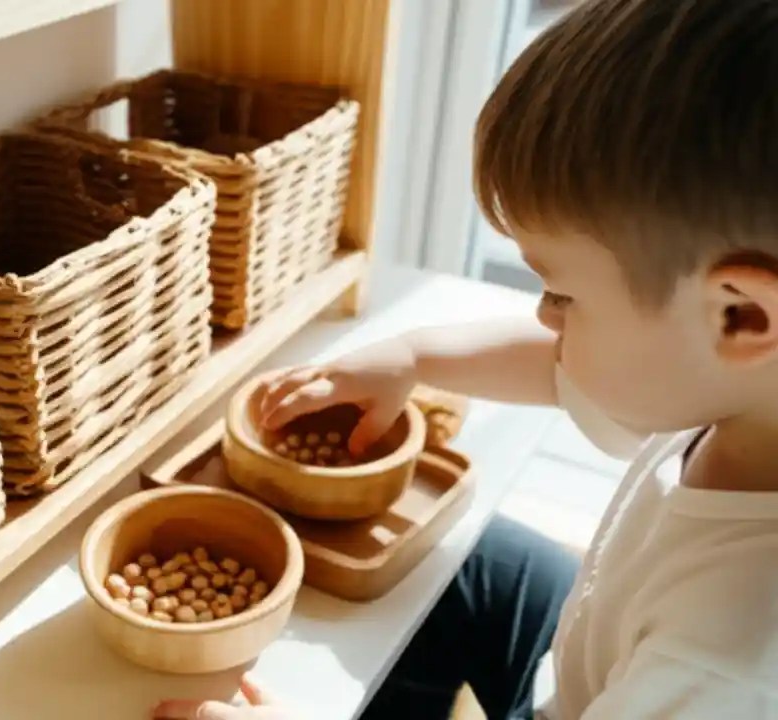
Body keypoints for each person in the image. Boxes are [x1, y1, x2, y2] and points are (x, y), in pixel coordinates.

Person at [153, 0, 778, 717]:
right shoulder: (734, 390)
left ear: (742, 314)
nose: (546, 317)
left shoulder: (728, 667)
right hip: (589, 647)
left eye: (563, 295)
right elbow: (557, 366)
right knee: (457, 559)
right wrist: (413, 356)